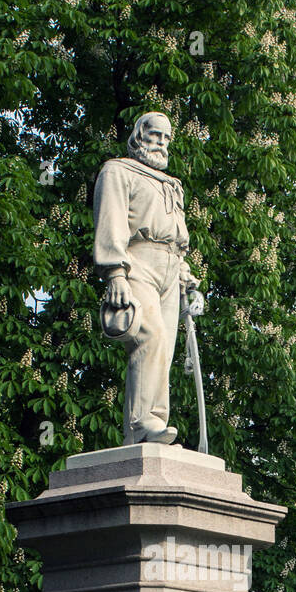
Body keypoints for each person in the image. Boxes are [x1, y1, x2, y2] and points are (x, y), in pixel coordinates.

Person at [93, 112, 203, 445]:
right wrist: (115, 273)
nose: (159, 143)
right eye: (153, 135)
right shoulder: (118, 171)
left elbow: (176, 238)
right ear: (139, 136)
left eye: (166, 138)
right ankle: (141, 424)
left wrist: (187, 279)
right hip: (137, 261)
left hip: (170, 268)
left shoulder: (172, 185)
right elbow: (110, 221)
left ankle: (154, 420)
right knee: (149, 336)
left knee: (164, 350)